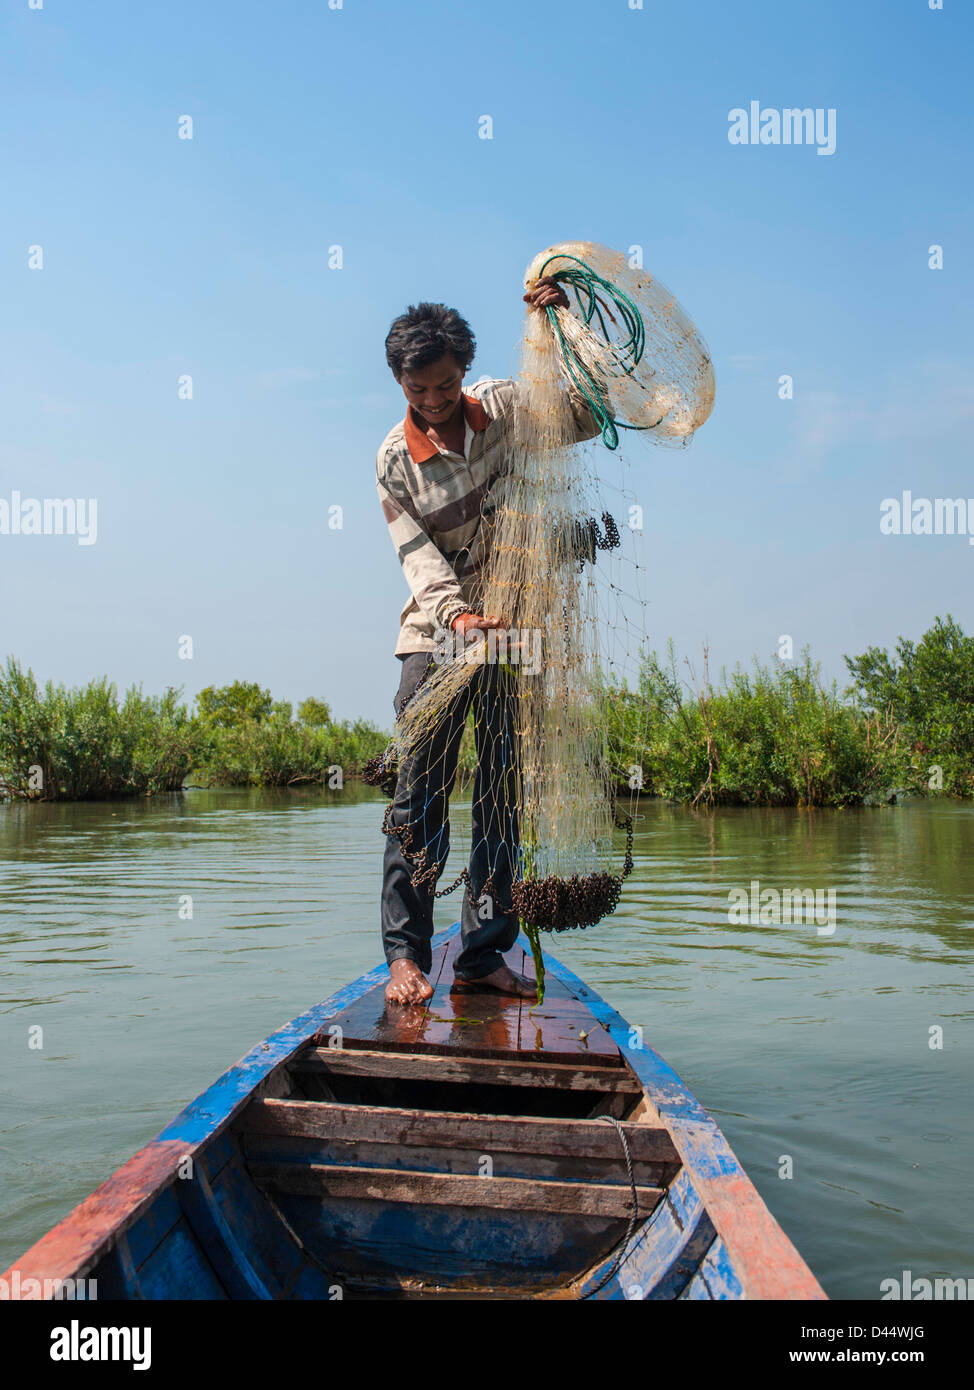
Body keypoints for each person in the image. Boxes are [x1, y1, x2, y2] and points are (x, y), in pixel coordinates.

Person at [376, 277, 601, 1005]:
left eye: (444, 386)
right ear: (400, 383)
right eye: (419, 391)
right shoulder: (392, 461)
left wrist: (564, 326)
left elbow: (588, 414)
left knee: (503, 790)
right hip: (437, 635)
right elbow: (419, 558)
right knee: (420, 798)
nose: (434, 403)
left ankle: (480, 955)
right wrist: (460, 619)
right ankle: (406, 956)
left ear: (463, 371)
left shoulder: (504, 406)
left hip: (516, 626)